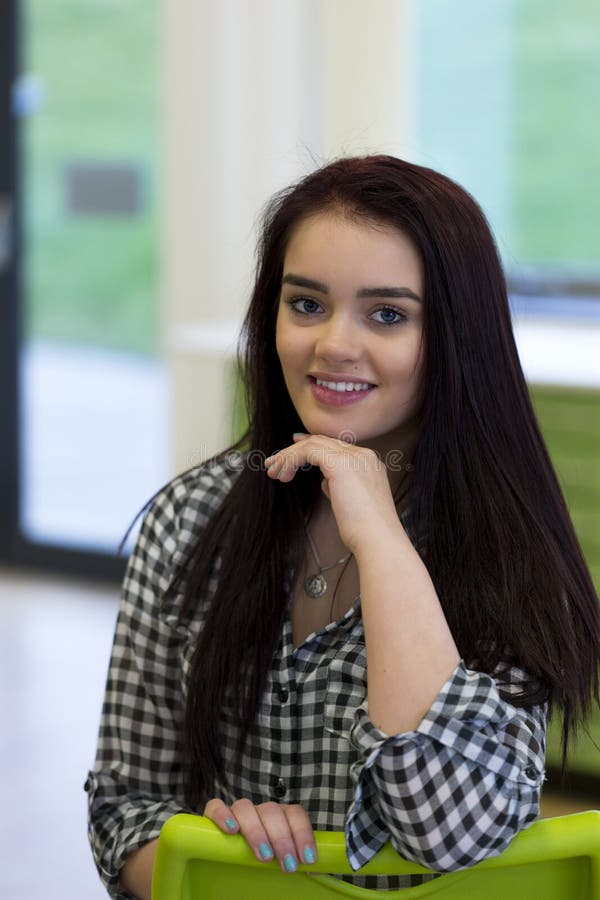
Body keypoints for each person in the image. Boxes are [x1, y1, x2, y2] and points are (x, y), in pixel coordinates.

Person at [85, 155, 600, 900]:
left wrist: (383, 542)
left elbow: (456, 832)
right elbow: (122, 811)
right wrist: (223, 861)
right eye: (306, 305)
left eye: (387, 314)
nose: (332, 345)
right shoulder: (188, 520)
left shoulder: (508, 544)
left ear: (456, 336)